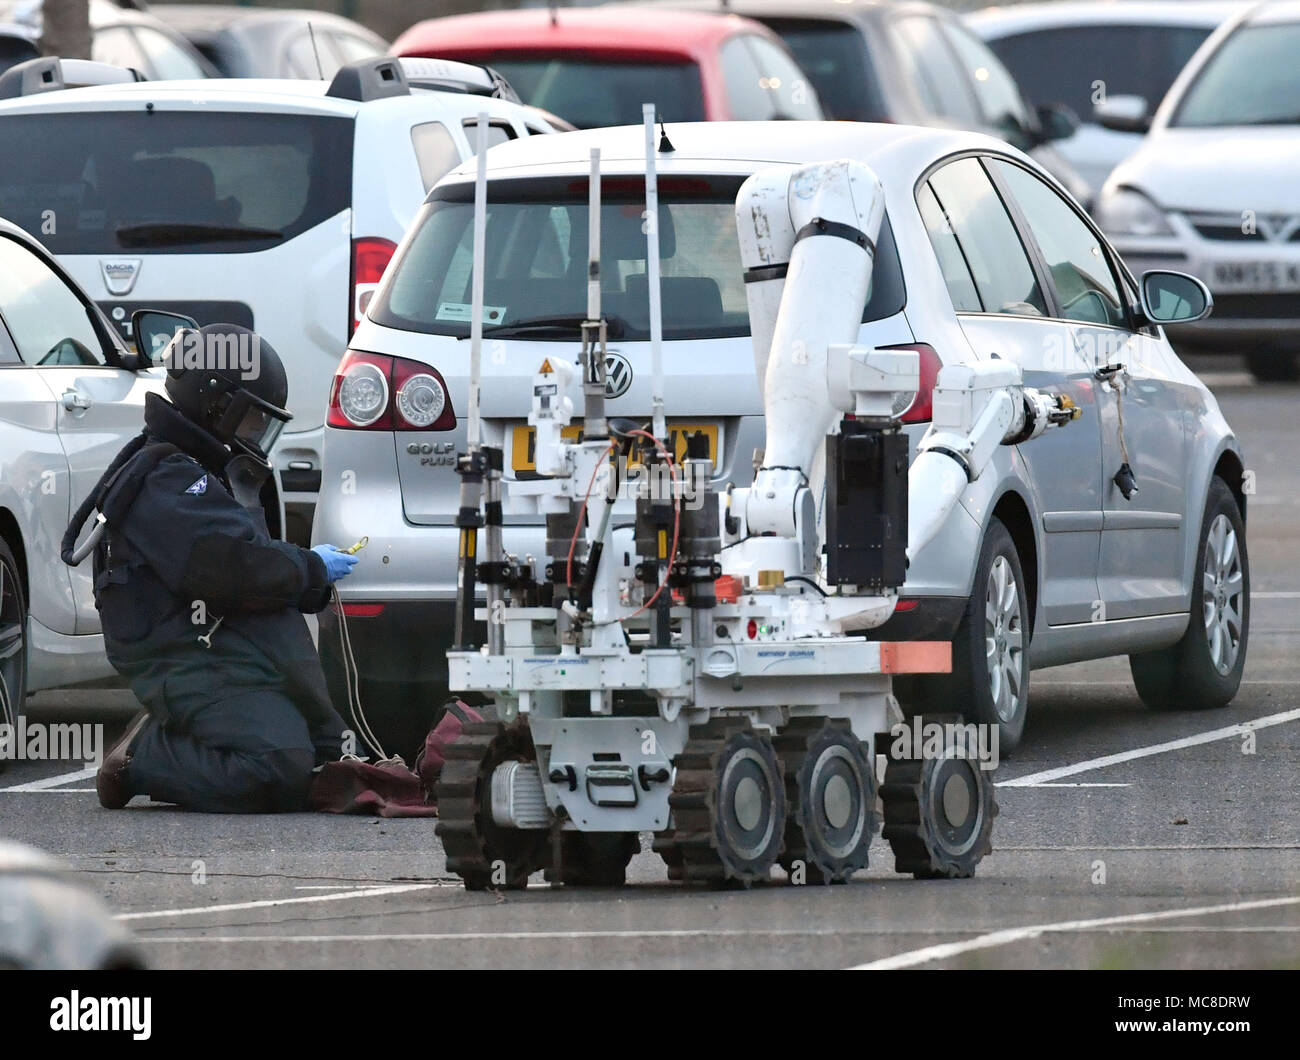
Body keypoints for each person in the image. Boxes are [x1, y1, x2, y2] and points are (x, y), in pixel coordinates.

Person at [63, 323, 359, 812]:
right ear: (216, 404)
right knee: (277, 765)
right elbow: (230, 567)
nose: (255, 437)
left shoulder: (198, 464)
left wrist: (305, 576)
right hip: (182, 660)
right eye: (249, 422)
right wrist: (310, 569)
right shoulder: (166, 477)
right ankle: (140, 758)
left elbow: (244, 570)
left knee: (327, 755)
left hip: (221, 649)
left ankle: (202, 729)